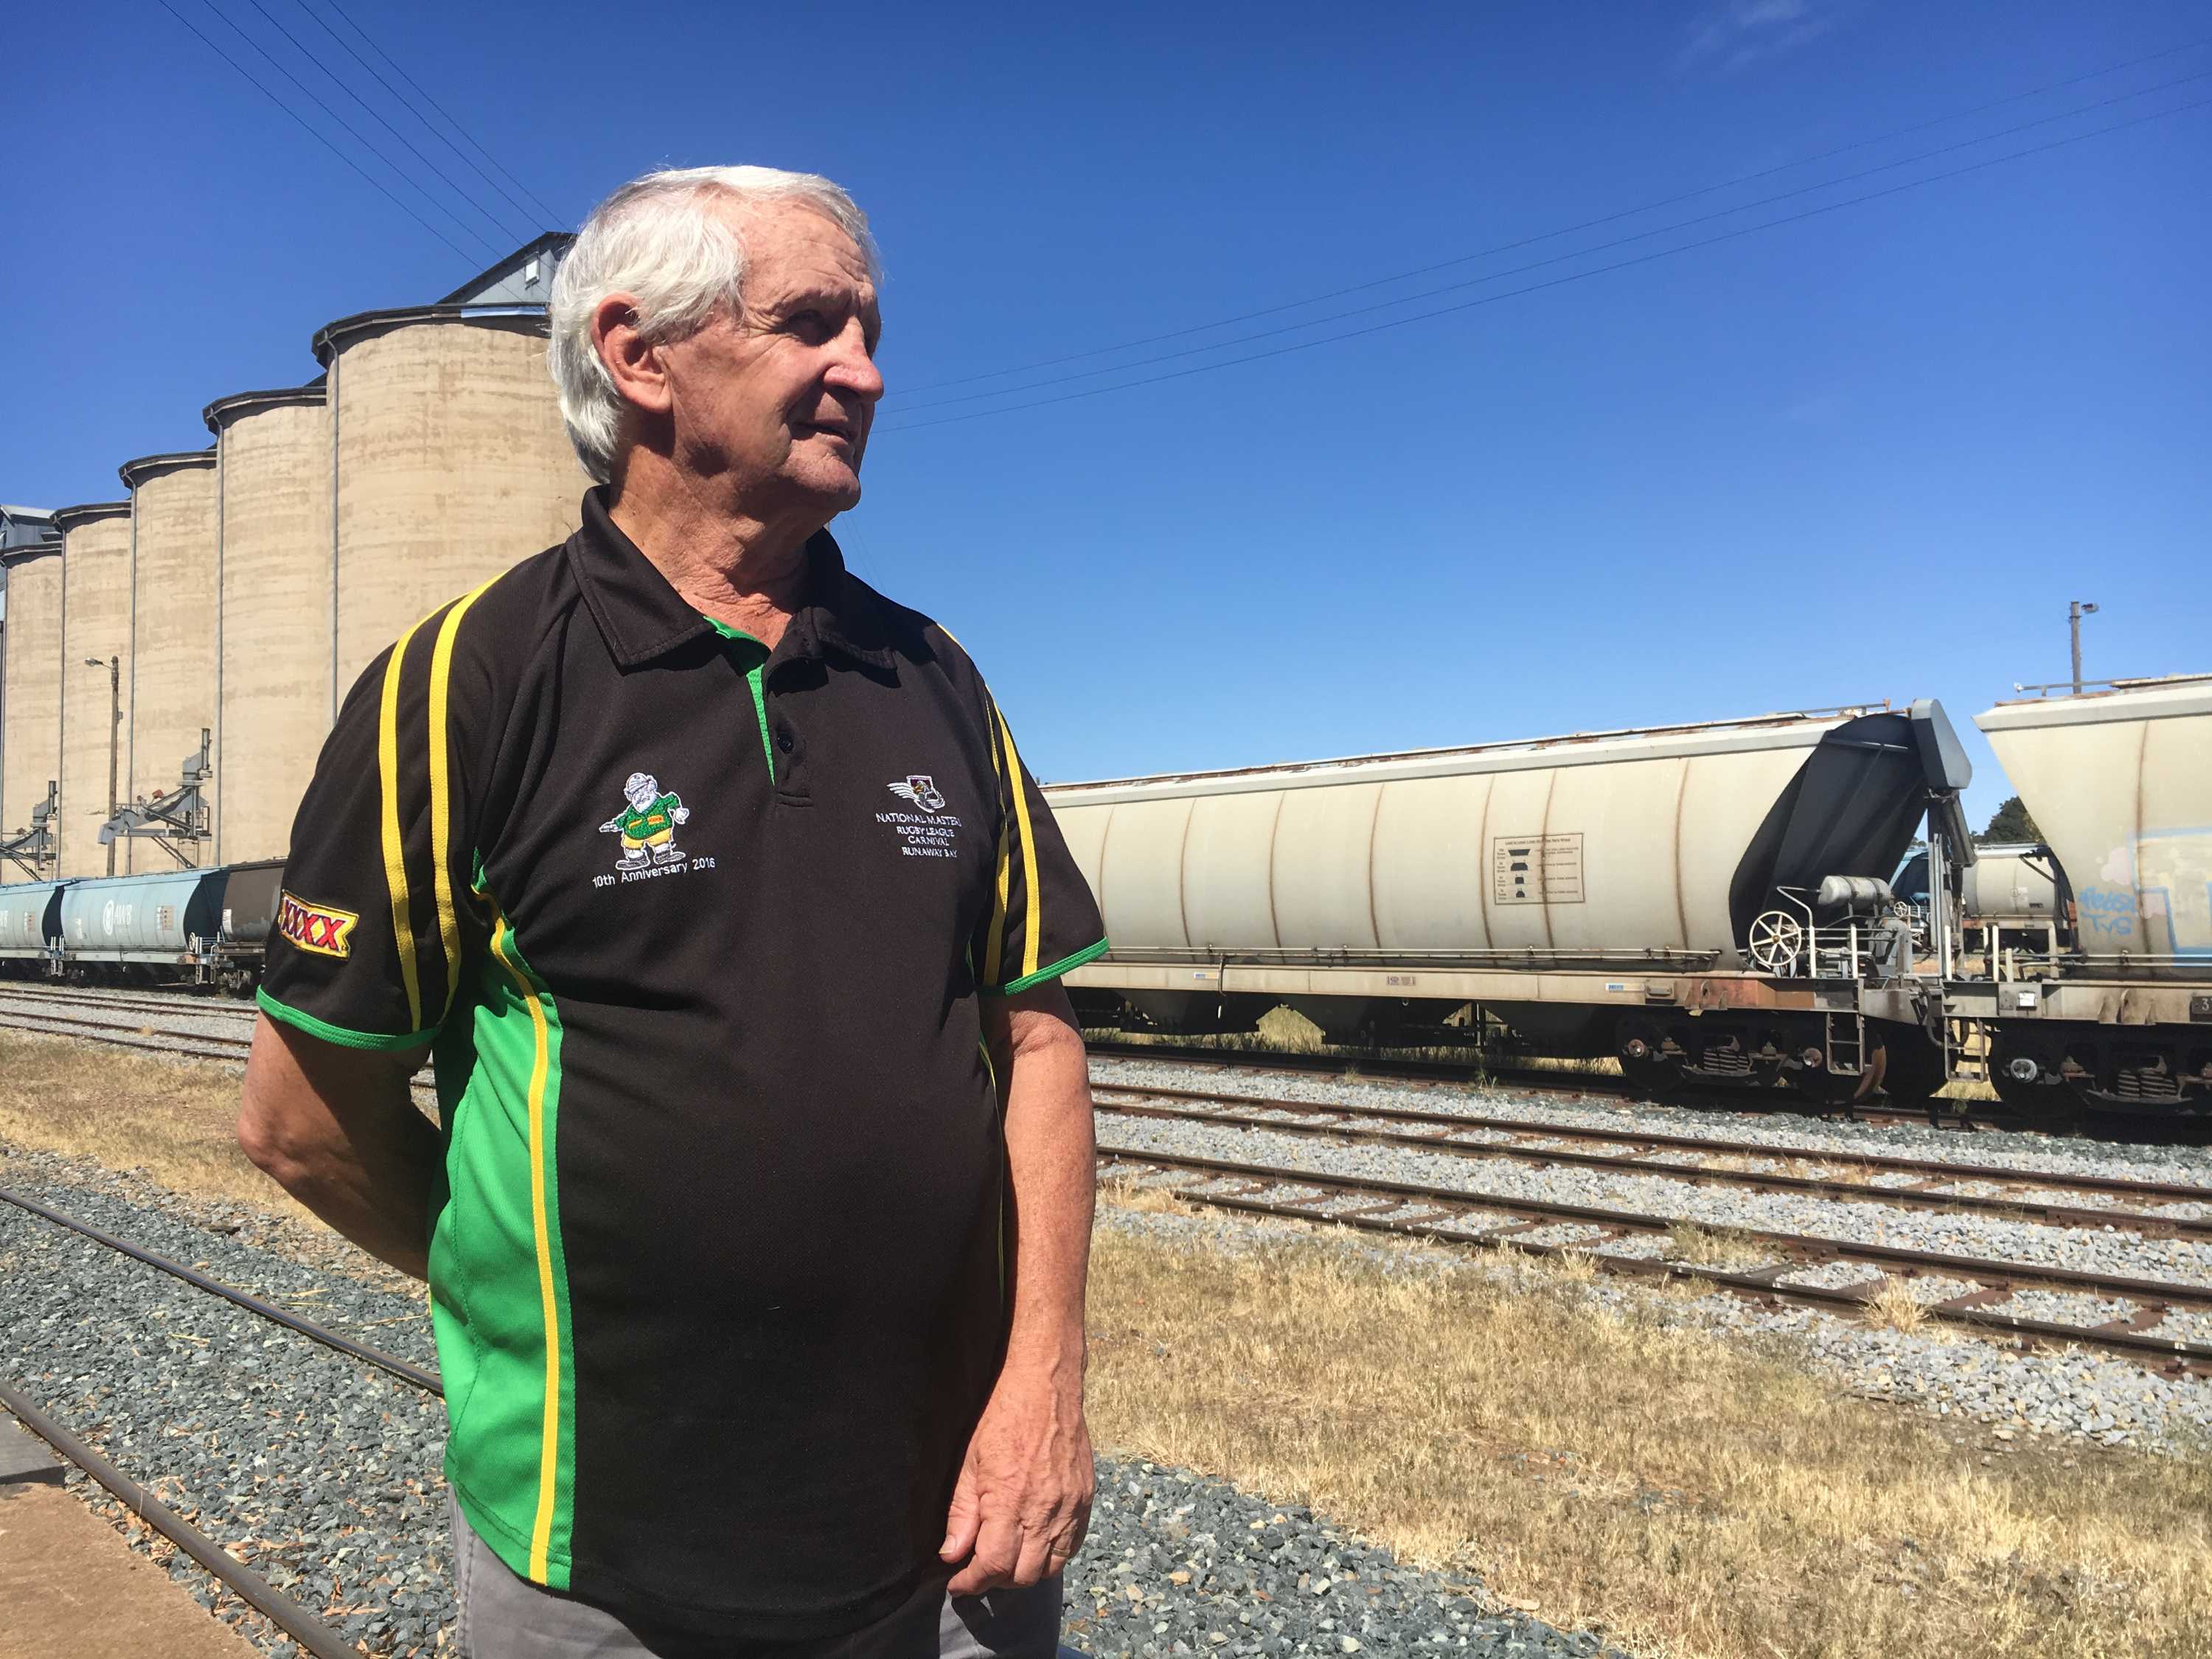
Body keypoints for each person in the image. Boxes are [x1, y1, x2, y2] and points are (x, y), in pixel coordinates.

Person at [237, 164, 1109, 1658]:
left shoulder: (937, 678)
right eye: (814, 324)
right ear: (641, 357)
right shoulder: (470, 684)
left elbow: (1035, 1042)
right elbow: (304, 1121)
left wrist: (1045, 1384)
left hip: (961, 1525)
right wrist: (521, 1290)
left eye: (873, 328)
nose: (869, 371)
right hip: (603, 1558)